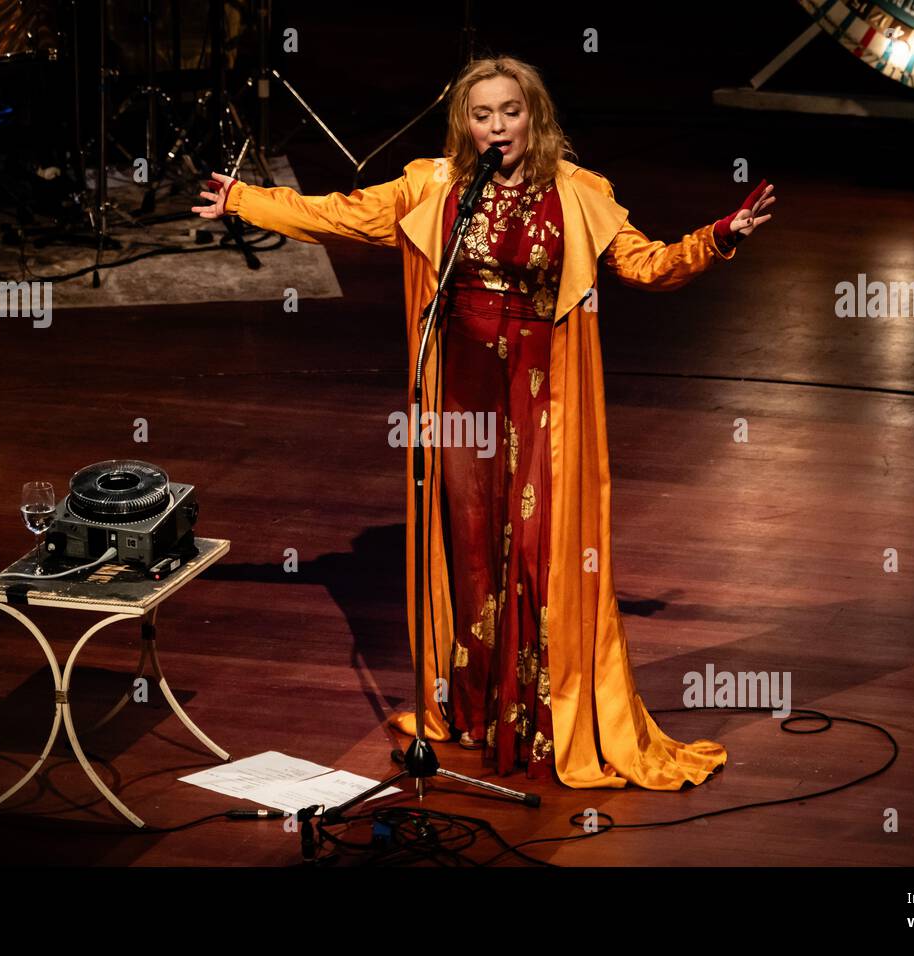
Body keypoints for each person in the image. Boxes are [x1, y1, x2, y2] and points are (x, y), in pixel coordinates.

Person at [193, 55, 775, 790]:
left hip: (539, 389)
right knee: (470, 552)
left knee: (534, 547)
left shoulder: (578, 191)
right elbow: (337, 212)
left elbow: (647, 263)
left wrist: (722, 234)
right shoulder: (434, 188)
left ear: (535, 115)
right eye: (482, 114)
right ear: (463, 123)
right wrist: (248, 200)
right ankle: (474, 708)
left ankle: (537, 717)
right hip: (463, 393)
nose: (497, 126)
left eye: (510, 111)